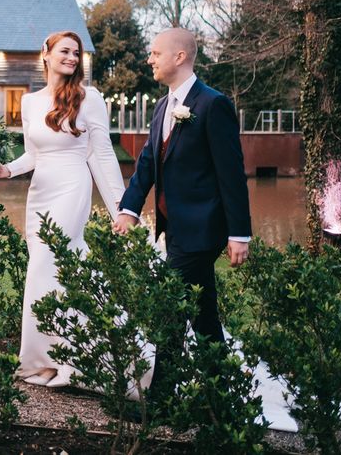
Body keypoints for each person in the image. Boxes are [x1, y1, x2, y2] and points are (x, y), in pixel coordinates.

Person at [113, 27, 251, 411]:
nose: (150, 59)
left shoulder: (213, 104)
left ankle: (160, 401)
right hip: (173, 230)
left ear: (179, 57)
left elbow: (232, 173)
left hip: (202, 230)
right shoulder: (162, 107)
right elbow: (147, 166)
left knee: (172, 311)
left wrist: (240, 233)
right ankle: (223, 394)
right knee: (203, 316)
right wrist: (128, 209)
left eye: (156, 52)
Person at [0, 31, 126, 387]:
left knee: (58, 263)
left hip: (71, 186)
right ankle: (40, 360)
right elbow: (33, 154)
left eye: (76, 53)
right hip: (40, 192)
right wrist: (7, 169)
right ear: (46, 54)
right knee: (40, 270)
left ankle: (71, 361)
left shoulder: (89, 97)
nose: (72, 58)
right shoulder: (31, 101)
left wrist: (121, 209)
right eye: (64, 51)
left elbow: (103, 153)